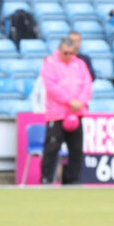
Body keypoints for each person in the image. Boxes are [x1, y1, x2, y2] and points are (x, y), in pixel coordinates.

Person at [37, 31, 93, 186]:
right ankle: (46, 178)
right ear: (59, 50)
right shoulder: (50, 63)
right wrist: (70, 101)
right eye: (65, 53)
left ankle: (72, 179)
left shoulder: (79, 64)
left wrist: (81, 101)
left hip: (76, 114)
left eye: (70, 52)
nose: (68, 55)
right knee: (52, 147)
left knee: (76, 149)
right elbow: (51, 87)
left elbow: (87, 84)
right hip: (57, 114)